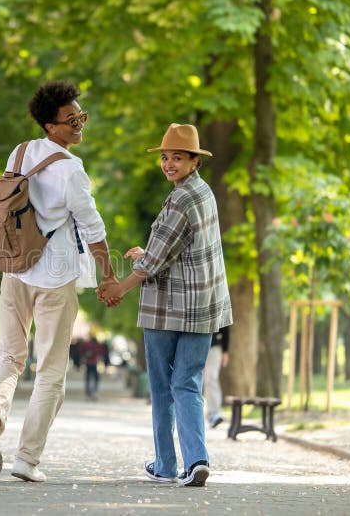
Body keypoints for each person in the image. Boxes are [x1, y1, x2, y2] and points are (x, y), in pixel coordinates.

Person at [0, 80, 116, 483]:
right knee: (50, 370)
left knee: (9, 355)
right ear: (51, 126)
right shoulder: (71, 169)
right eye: (71, 120)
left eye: (81, 116)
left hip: (14, 269)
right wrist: (108, 272)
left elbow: (1, 209)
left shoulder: (21, 151)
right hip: (55, 277)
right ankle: (26, 459)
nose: (80, 125)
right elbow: (92, 226)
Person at [97, 123, 232, 487]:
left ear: (193, 161)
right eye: (165, 157)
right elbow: (176, 249)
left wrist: (119, 288)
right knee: (188, 383)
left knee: (162, 386)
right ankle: (198, 459)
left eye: (177, 158)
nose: (168, 164)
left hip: (167, 308)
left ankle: (166, 464)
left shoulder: (181, 198)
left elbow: (153, 263)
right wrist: (149, 253)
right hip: (204, 308)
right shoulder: (203, 194)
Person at [204, 326, 230, 428]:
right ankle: (190, 414)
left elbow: (226, 327)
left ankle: (214, 413)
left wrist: (225, 351)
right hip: (194, 343)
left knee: (211, 378)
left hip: (215, 346)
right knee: (195, 380)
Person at [79, 335, 103, 400]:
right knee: (95, 378)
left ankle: (88, 393)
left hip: (88, 362)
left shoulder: (86, 344)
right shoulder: (97, 344)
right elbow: (99, 352)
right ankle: (94, 392)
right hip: (94, 363)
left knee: (88, 378)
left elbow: (81, 351)